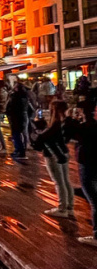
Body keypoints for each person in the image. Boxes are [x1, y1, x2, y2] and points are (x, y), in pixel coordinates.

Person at [33, 101, 74, 218]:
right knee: (65, 180)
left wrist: (38, 130)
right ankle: (69, 206)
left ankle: (62, 208)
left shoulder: (55, 124)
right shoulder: (65, 123)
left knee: (59, 181)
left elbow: (43, 138)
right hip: (63, 152)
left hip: (53, 155)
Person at [66, 104, 97, 246]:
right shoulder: (90, 127)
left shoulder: (90, 128)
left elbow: (73, 132)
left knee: (94, 199)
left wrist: (70, 117)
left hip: (89, 164)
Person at [5, 83, 32, 159]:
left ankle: (20, 151)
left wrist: (9, 113)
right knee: (20, 134)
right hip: (22, 117)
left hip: (16, 117)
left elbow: (11, 107)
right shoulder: (25, 96)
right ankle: (20, 150)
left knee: (16, 135)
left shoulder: (15, 96)